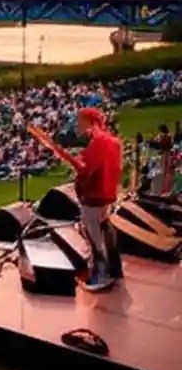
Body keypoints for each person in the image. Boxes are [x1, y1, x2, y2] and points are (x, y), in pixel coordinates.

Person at [72, 107, 123, 291]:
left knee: (94, 236)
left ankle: (101, 274)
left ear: (89, 121)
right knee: (105, 231)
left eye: (81, 121)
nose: (78, 125)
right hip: (106, 195)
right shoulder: (111, 141)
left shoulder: (98, 142)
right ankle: (114, 269)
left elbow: (87, 170)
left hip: (93, 195)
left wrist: (77, 170)